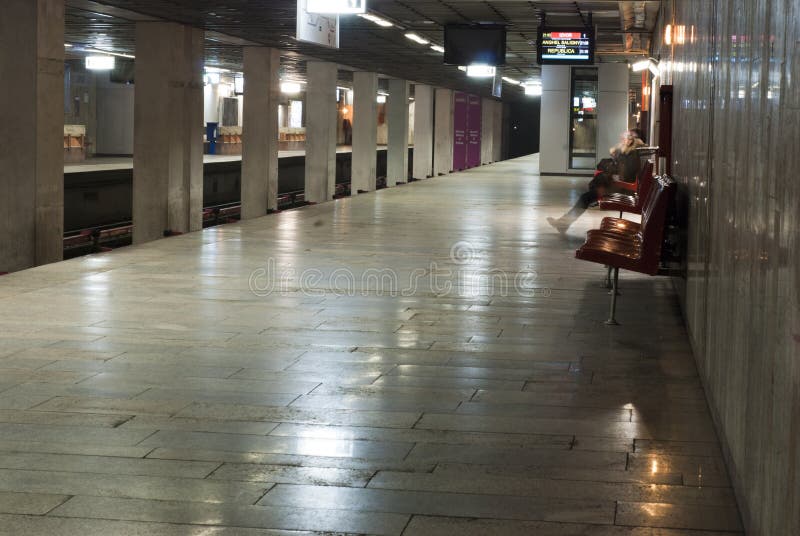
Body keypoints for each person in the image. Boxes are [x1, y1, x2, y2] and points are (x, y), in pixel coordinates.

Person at [547, 130, 645, 234]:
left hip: (623, 188)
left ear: (630, 140)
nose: (621, 141)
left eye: (623, 138)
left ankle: (563, 224)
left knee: (586, 197)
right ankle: (563, 224)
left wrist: (616, 157)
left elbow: (626, 175)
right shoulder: (631, 153)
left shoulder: (631, 154)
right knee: (586, 197)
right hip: (619, 185)